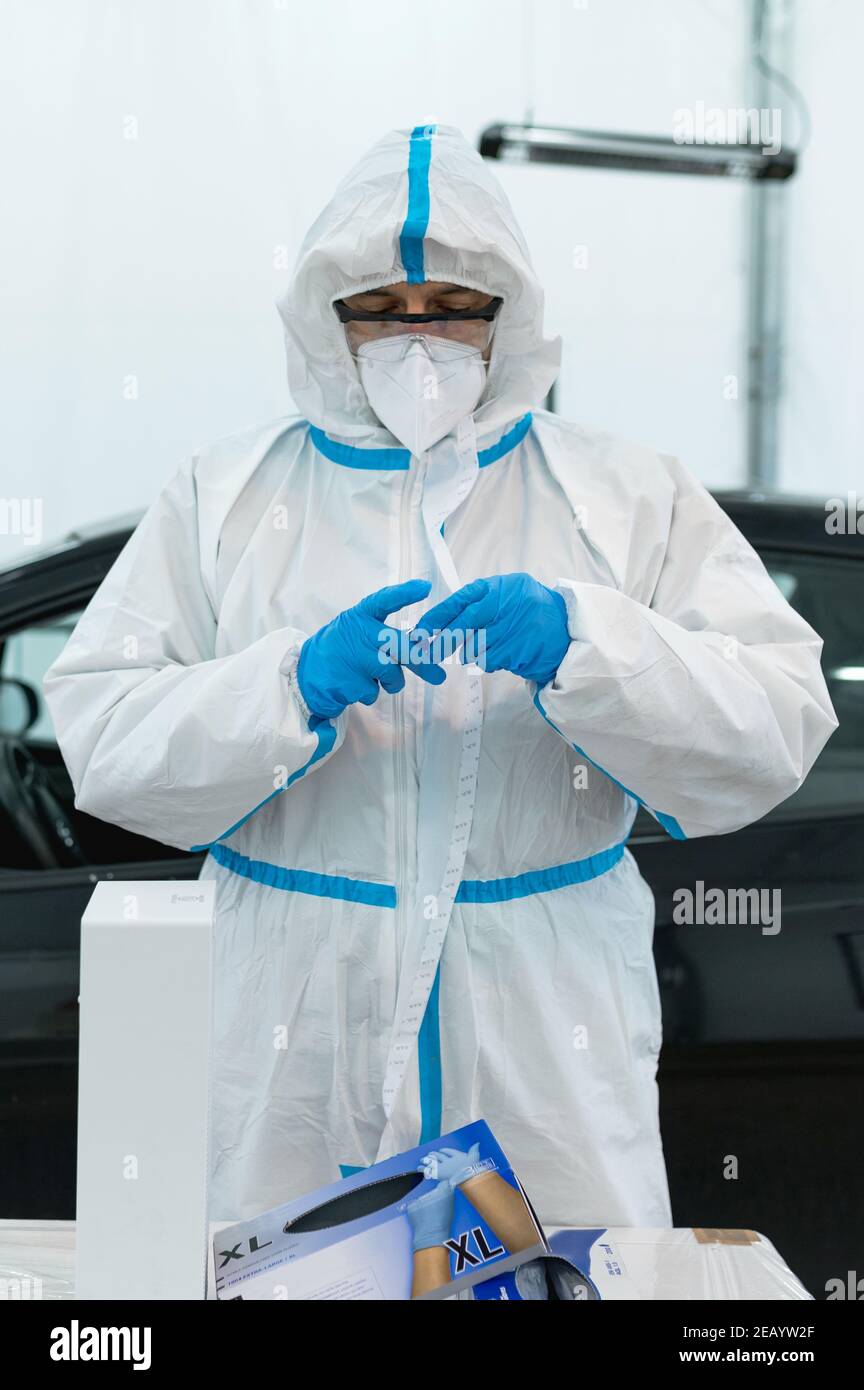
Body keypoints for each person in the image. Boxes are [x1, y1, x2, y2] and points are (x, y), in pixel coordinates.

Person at [43, 124, 837, 1229]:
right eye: (384, 308)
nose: (419, 337)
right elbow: (101, 729)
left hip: (543, 1022)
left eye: (452, 306)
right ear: (332, 318)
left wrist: (582, 644)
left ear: (505, 315)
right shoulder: (222, 498)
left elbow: (778, 715)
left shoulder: (623, 493)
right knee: (293, 1277)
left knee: (557, 1276)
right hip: (295, 1016)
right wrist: (290, 686)